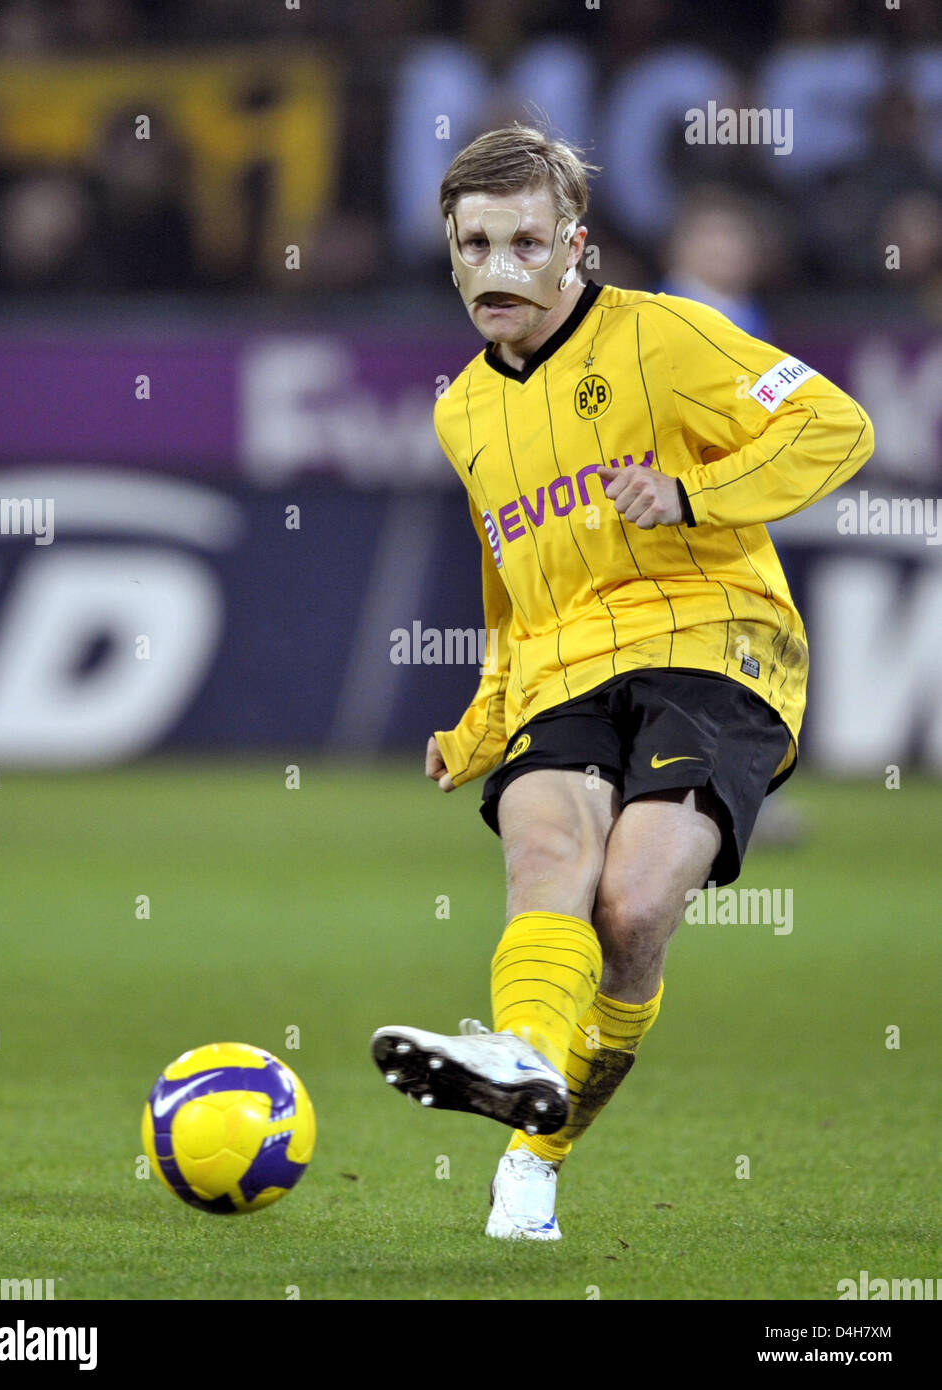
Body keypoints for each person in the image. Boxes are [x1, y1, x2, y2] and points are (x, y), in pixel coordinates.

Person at [371, 125, 874, 1240]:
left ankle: (535, 1152)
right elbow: (512, 584)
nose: (497, 267)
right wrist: (480, 722)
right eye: (474, 243)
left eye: (525, 241)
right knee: (548, 854)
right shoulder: (462, 411)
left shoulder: (669, 336)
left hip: (714, 642)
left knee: (634, 904)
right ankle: (520, 1068)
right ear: (449, 253)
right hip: (563, 662)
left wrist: (696, 496)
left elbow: (837, 424)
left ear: (576, 250)